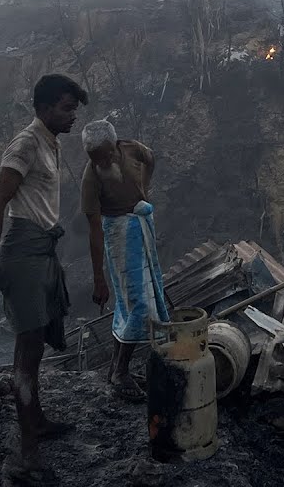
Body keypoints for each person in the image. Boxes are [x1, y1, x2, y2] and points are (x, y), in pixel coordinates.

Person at [0, 74, 88, 483]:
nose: (72, 115)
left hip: (42, 248)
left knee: (37, 344)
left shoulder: (51, 141)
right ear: (43, 109)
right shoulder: (25, 144)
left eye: (74, 108)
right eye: (66, 108)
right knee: (27, 351)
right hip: (22, 251)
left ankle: (37, 422)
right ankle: (25, 453)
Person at [80, 120, 168, 403]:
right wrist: (98, 277)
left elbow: (150, 158)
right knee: (138, 304)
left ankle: (116, 369)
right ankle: (120, 372)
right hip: (118, 236)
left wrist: (145, 188)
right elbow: (94, 228)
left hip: (141, 227)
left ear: (114, 146)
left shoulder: (131, 149)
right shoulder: (91, 177)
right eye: (95, 157)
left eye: (106, 154)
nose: (102, 161)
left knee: (132, 301)